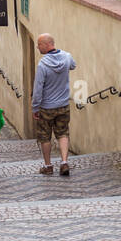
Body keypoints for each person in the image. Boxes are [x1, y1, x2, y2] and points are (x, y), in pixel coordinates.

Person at [32, 34, 76, 177]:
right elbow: (73, 65)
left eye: (39, 44)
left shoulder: (42, 64)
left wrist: (35, 107)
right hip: (63, 105)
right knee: (63, 133)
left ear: (47, 44)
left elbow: (38, 89)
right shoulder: (67, 57)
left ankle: (48, 166)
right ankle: (64, 162)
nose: (37, 47)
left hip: (46, 107)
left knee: (45, 136)